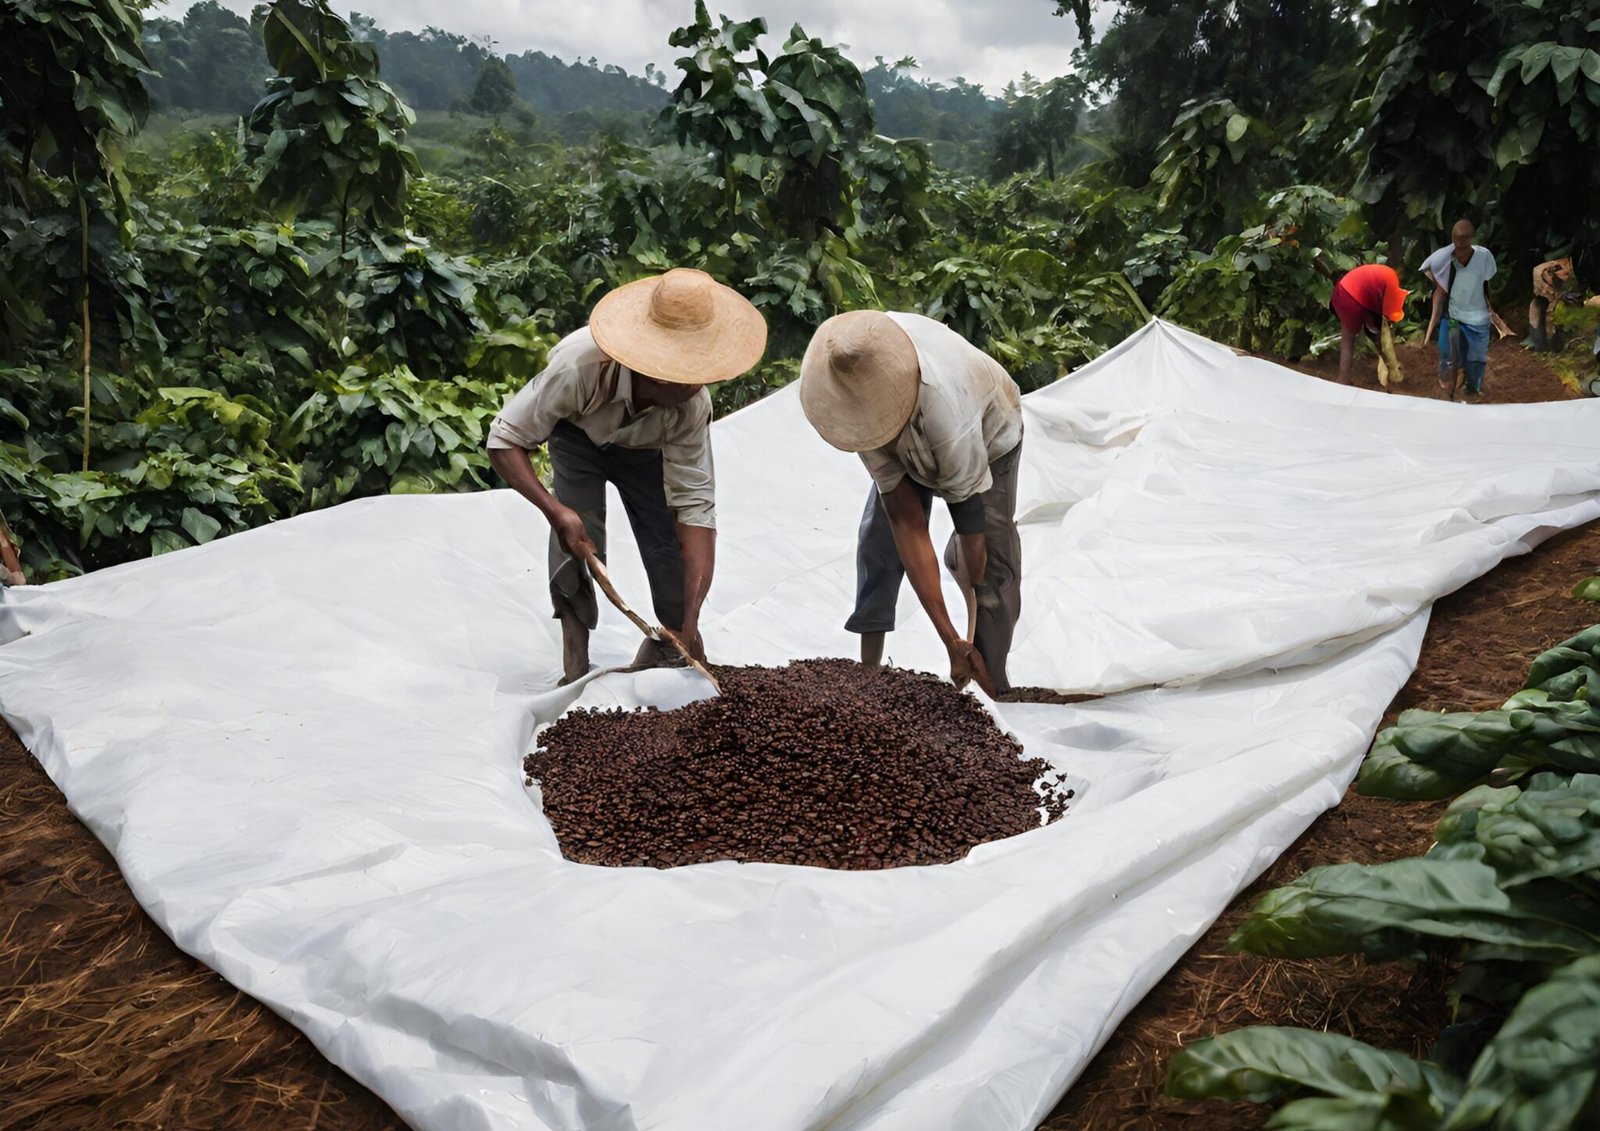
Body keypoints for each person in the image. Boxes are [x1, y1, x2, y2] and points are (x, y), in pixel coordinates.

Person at [487, 268, 766, 684]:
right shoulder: (580, 366)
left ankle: (671, 643)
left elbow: (695, 508)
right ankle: (575, 660)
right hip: (578, 437)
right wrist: (555, 511)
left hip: (646, 454)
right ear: (659, 373)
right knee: (577, 537)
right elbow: (504, 440)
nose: (701, 382)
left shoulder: (690, 405)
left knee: (667, 547)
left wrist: (691, 619)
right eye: (691, 373)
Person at [799, 310, 1023, 695]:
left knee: (991, 566)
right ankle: (868, 673)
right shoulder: (854, 394)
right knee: (878, 544)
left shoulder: (947, 416)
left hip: (989, 433)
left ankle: (989, 683)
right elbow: (907, 524)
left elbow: (969, 520)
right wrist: (949, 637)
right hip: (918, 436)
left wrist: (969, 609)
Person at [1420, 220, 1499, 399]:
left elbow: (1486, 284)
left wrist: (1491, 311)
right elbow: (1439, 294)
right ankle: (1450, 390)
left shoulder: (1484, 256)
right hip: (1453, 315)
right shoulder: (1444, 261)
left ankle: (1472, 389)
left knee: (1476, 358)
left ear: (1471, 240)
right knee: (1448, 351)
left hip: (1477, 316)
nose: (1460, 253)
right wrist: (1430, 330)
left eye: (1464, 246)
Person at [1329, 262, 1409, 386]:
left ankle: (1343, 377)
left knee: (1347, 340)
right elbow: (1386, 314)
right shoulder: (1390, 280)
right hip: (1353, 298)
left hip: (1342, 292)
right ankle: (1343, 379)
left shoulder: (1385, 274)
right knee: (1350, 341)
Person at [1527, 256, 1574, 352]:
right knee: (1539, 313)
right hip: (1544, 288)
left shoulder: (1562, 268)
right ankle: (1543, 345)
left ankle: (1551, 345)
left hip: (1548, 288)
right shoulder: (1545, 274)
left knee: (1547, 314)